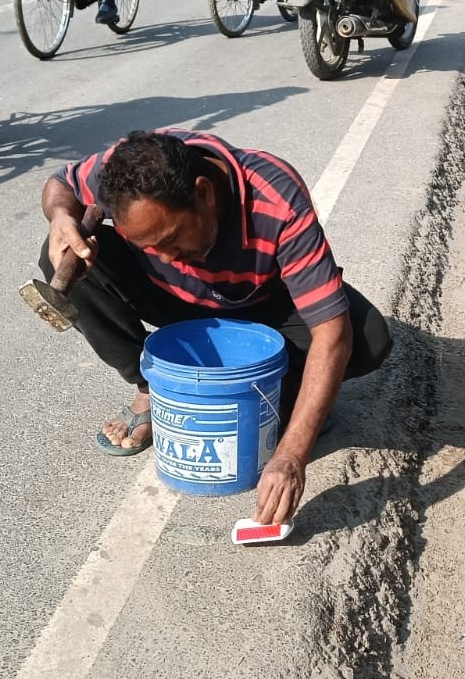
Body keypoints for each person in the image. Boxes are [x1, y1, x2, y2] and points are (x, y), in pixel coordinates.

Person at [38, 129, 393, 525]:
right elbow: (60, 183)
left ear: (204, 193)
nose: (167, 258)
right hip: (172, 301)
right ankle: (152, 389)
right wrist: (61, 217)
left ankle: (279, 398)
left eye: (171, 238)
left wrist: (293, 451)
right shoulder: (123, 172)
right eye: (147, 246)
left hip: (262, 306)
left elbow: (331, 332)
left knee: (366, 340)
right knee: (65, 259)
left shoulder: (276, 197)